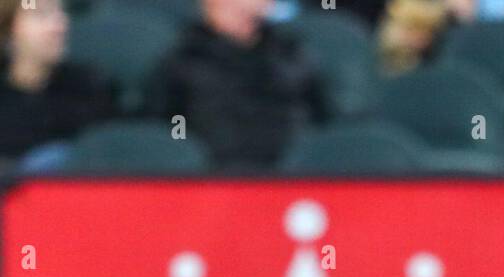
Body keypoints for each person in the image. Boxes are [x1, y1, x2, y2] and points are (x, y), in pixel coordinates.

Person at [143, 0, 329, 171]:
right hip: (214, 186)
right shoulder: (184, 63)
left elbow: (320, 125)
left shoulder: (291, 55)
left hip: (296, 184)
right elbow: (169, 137)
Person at [0, 0, 114, 167]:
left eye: (59, 13)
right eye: (41, 15)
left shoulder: (88, 89)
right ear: (8, 28)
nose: (59, 25)